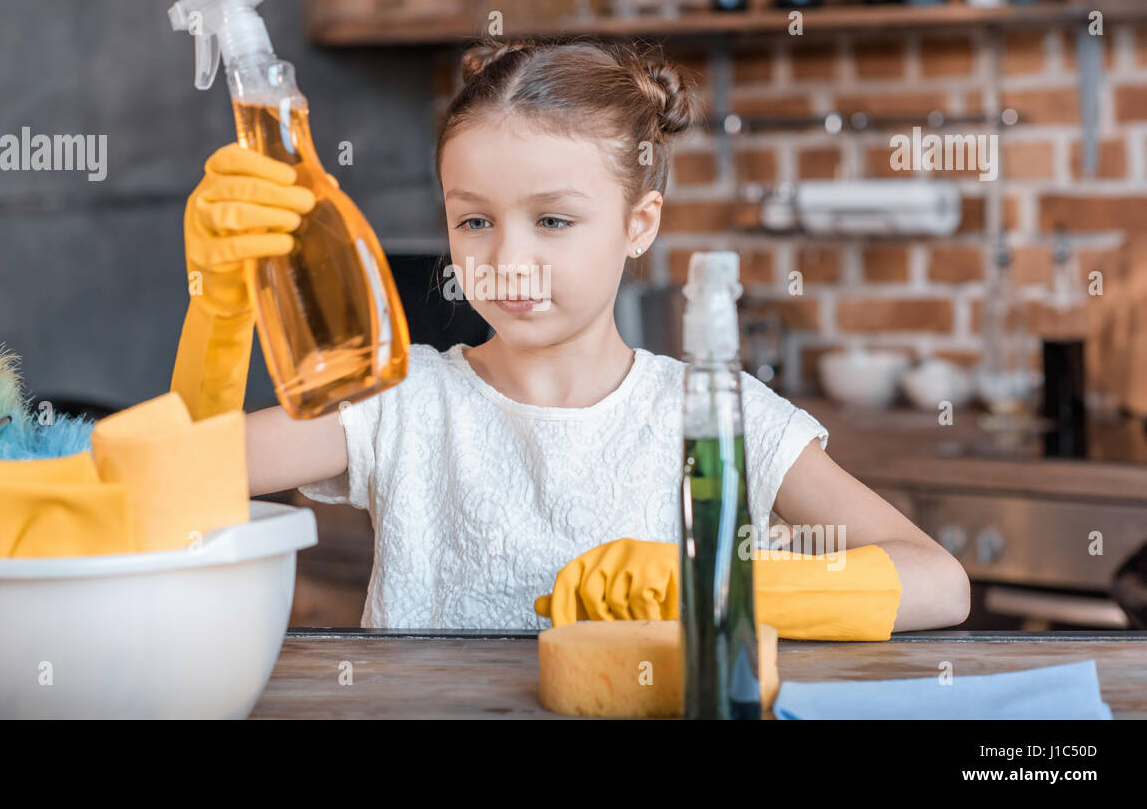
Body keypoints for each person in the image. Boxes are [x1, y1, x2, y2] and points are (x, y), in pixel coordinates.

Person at [172, 36, 971, 631]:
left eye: (553, 219)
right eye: (474, 219)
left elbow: (939, 579)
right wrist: (218, 300)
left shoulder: (711, 412)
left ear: (638, 222)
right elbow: (181, 479)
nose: (508, 261)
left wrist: (714, 588)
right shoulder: (401, 401)